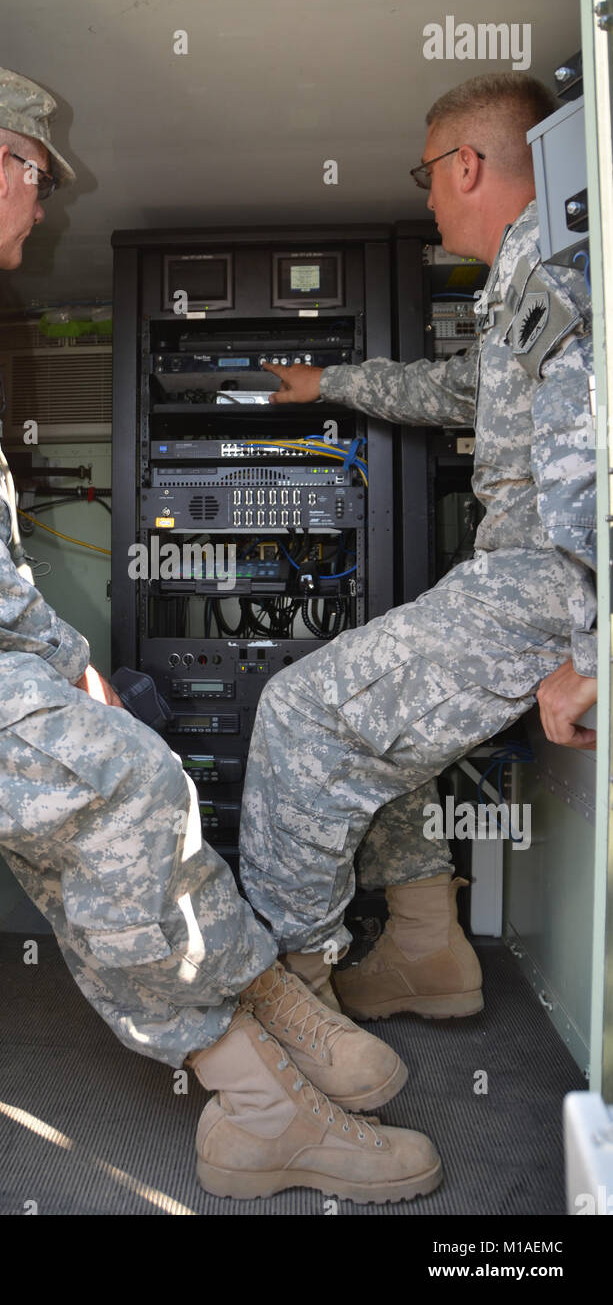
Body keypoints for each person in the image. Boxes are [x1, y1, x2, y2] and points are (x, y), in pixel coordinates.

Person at [0, 59, 442, 1205]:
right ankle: (258, 1103)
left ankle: (262, 1007)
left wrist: (57, 659)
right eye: (40, 188)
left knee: (91, 822)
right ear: (3, 166)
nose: (44, 214)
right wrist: (60, 656)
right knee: (132, 785)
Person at [250, 71, 596, 1023]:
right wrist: (331, 381)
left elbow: (588, 473)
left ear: (468, 163)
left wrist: (594, 653)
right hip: (525, 575)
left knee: (300, 715)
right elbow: (461, 398)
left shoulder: (556, 269)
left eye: (426, 174)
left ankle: (293, 1010)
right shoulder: (530, 274)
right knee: (374, 737)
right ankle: (425, 952)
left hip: (540, 584)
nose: (428, 195)